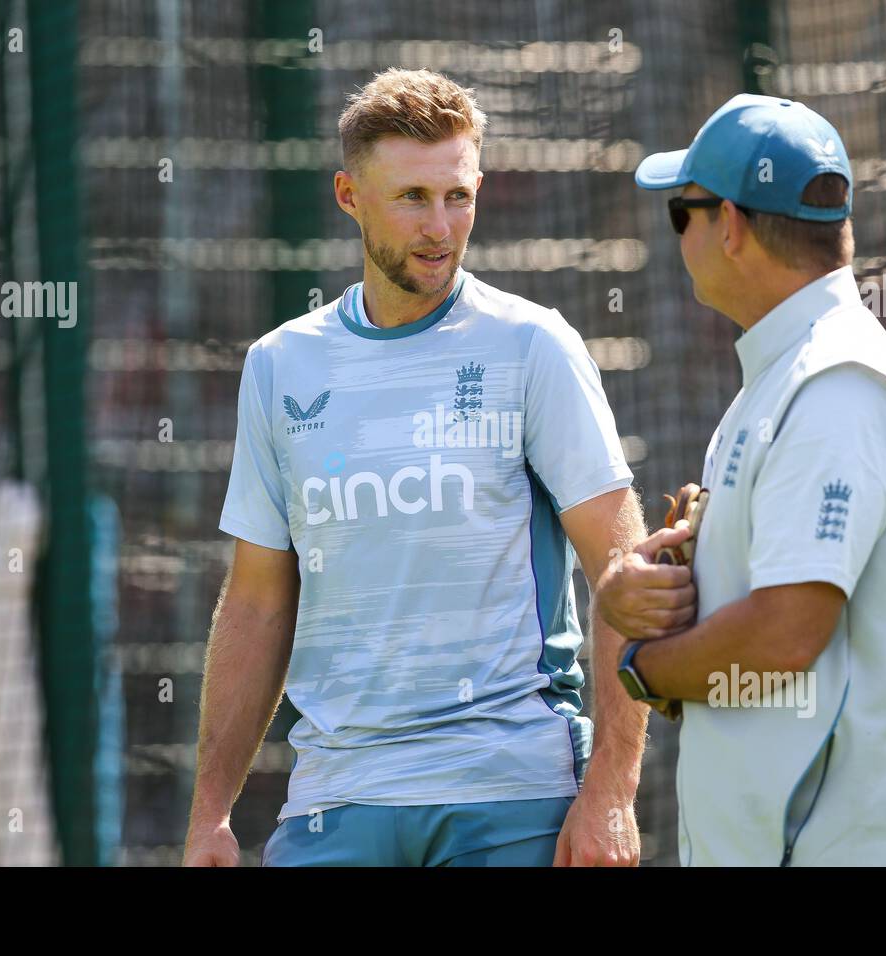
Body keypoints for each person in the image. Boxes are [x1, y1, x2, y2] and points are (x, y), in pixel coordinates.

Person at [182, 68, 682, 867]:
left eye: (459, 196)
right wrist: (212, 810)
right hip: (334, 802)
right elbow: (256, 602)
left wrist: (612, 794)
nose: (440, 228)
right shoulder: (279, 367)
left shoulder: (533, 346)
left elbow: (620, 570)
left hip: (512, 794)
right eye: (412, 197)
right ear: (349, 196)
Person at [596, 94, 886, 865]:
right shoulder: (791, 373)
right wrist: (653, 586)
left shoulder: (836, 386)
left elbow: (786, 633)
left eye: (680, 213)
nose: (680, 236)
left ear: (728, 224)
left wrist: (641, 669)